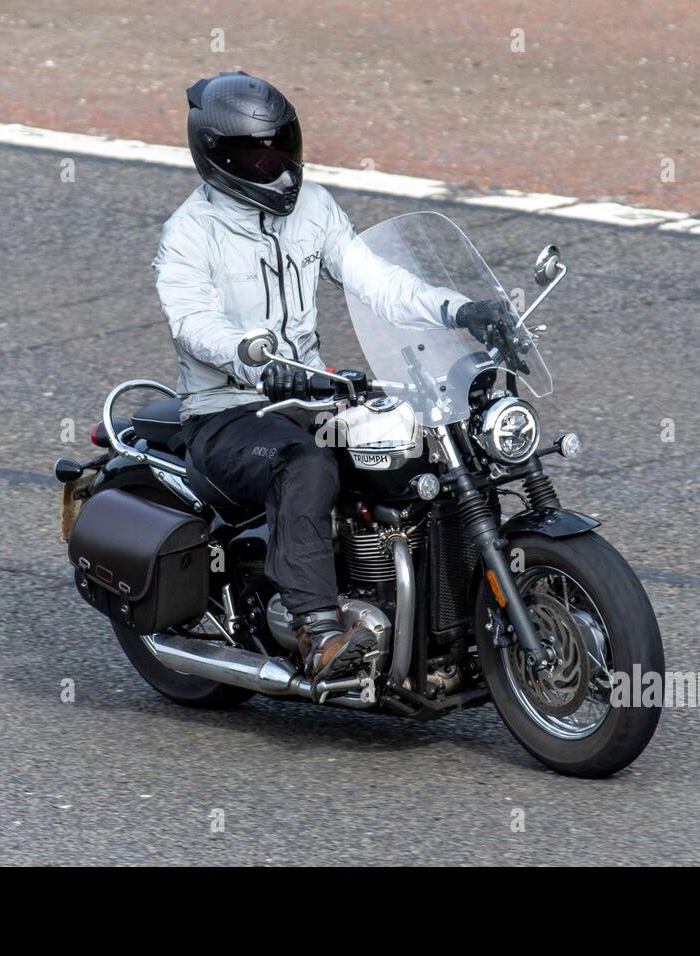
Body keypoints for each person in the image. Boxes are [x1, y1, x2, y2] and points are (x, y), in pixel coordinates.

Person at [153, 71, 519, 682]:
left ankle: (439, 617)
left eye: (280, 144)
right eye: (254, 151)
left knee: (416, 451)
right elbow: (193, 322)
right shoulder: (189, 234)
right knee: (305, 464)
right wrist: (253, 356)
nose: (273, 162)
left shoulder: (312, 207)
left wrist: (461, 310)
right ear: (217, 156)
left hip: (308, 394)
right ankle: (319, 630)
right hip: (227, 412)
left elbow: (376, 280)